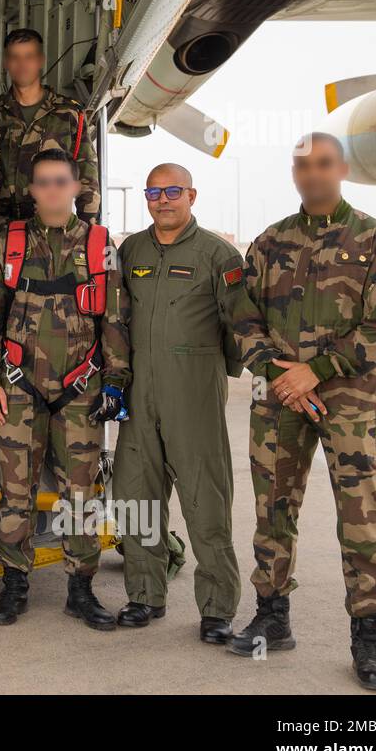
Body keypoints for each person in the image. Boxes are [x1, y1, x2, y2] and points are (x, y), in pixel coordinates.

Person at [228, 132, 376, 692]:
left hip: (348, 400)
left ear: (342, 168)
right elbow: (242, 317)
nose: (312, 173)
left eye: (322, 163)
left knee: (360, 515)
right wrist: (279, 373)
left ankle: (369, 636)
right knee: (272, 507)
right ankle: (272, 613)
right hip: (279, 397)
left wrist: (318, 371)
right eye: (302, 164)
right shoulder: (269, 241)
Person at [0, 147, 130, 630]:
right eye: (43, 182)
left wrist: (116, 383)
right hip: (19, 388)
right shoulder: (9, 242)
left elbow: (115, 320)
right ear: (32, 190)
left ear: (77, 186)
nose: (52, 191)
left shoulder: (100, 245)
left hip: (81, 390)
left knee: (81, 493)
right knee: (15, 492)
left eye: (60, 181)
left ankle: (80, 589)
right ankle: (15, 584)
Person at [112, 163, 244, 642]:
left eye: (172, 191)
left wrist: (212, 374)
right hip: (138, 391)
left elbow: (239, 327)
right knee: (136, 496)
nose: (162, 200)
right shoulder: (132, 250)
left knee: (205, 499)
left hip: (194, 391)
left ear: (191, 195)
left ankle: (216, 608)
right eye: (154, 191)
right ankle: (144, 596)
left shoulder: (218, 254)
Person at [0, 28, 99, 233]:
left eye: (29, 56)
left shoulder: (68, 113)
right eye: (15, 57)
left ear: (40, 60)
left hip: (50, 225)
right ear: (6, 63)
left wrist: (89, 230)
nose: (22, 65)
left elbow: (87, 175)